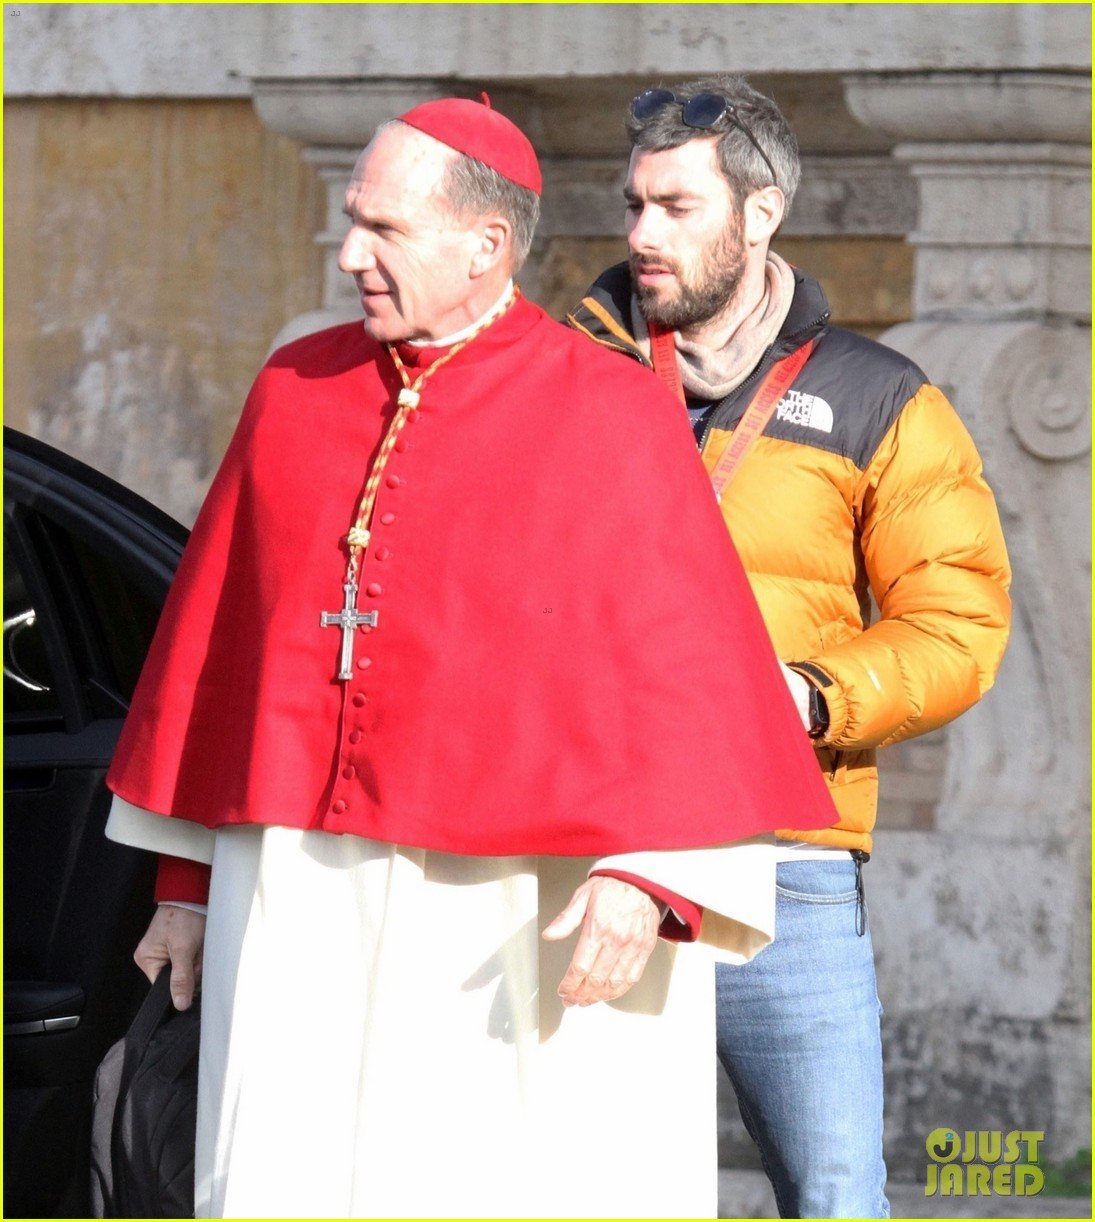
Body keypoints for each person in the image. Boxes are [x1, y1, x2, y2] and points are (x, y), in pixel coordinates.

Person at [104, 97, 839, 1219]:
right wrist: (185, 883)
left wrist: (651, 880)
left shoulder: (609, 412)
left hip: (512, 916)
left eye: (383, 230)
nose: (351, 254)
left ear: (484, 246)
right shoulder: (293, 392)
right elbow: (215, 657)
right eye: (356, 222)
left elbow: (690, 679)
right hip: (297, 897)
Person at [567, 76, 1011, 1219]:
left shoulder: (882, 397)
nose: (640, 235)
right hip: (578, 848)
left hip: (786, 855)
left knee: (834, 1197)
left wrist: (810, 697)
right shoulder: (558, 374)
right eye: (633, 206)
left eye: (675, 205)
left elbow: (958, 623)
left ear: (759, 216)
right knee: (570, 1192)